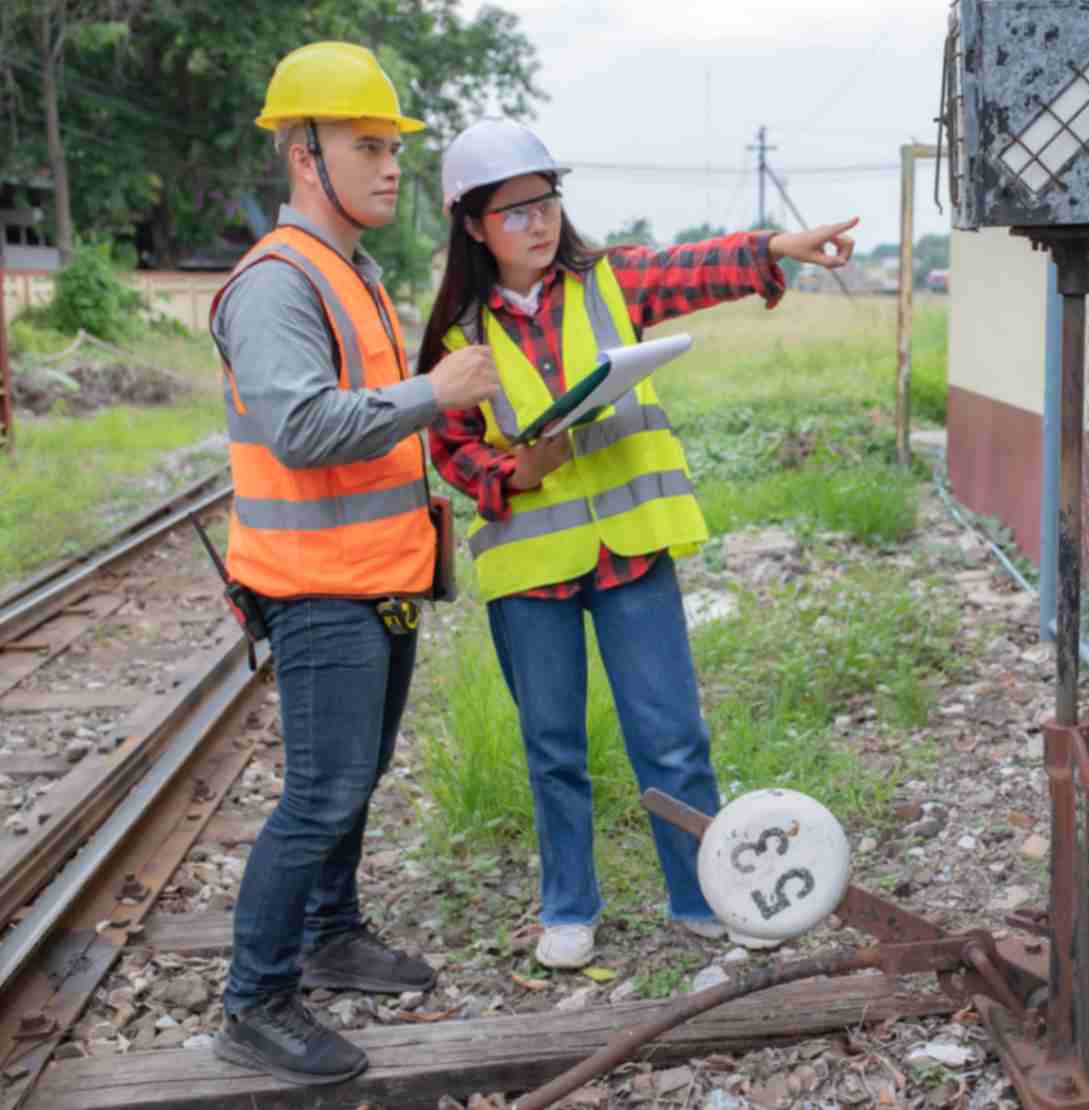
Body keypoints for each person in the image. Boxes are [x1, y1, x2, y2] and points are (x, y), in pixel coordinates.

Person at [419, 119, 855, 970]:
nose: (538, 223)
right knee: (554, 749)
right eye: (513, 212)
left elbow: (701, 267)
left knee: (671, 734)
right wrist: (519, 471)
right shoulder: (456, 341)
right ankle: (569, 908)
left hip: (630, 553)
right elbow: (453, 455)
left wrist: (781, 246)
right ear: (472, 225)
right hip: (532, 569)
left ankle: (699, 897)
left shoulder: (608, 283)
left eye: (546, 202)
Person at [208, 43, 501, 1086]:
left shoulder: (353, 272)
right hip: (318, 586)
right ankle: (254, 1001)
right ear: (302, 153)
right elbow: (301, 429)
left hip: (376, 574)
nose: (388, 166)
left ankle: (331, 936)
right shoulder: (277, 283)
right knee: (322, 794)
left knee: (357, 777)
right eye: (365, 146)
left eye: (391, 147)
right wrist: (437, 392)